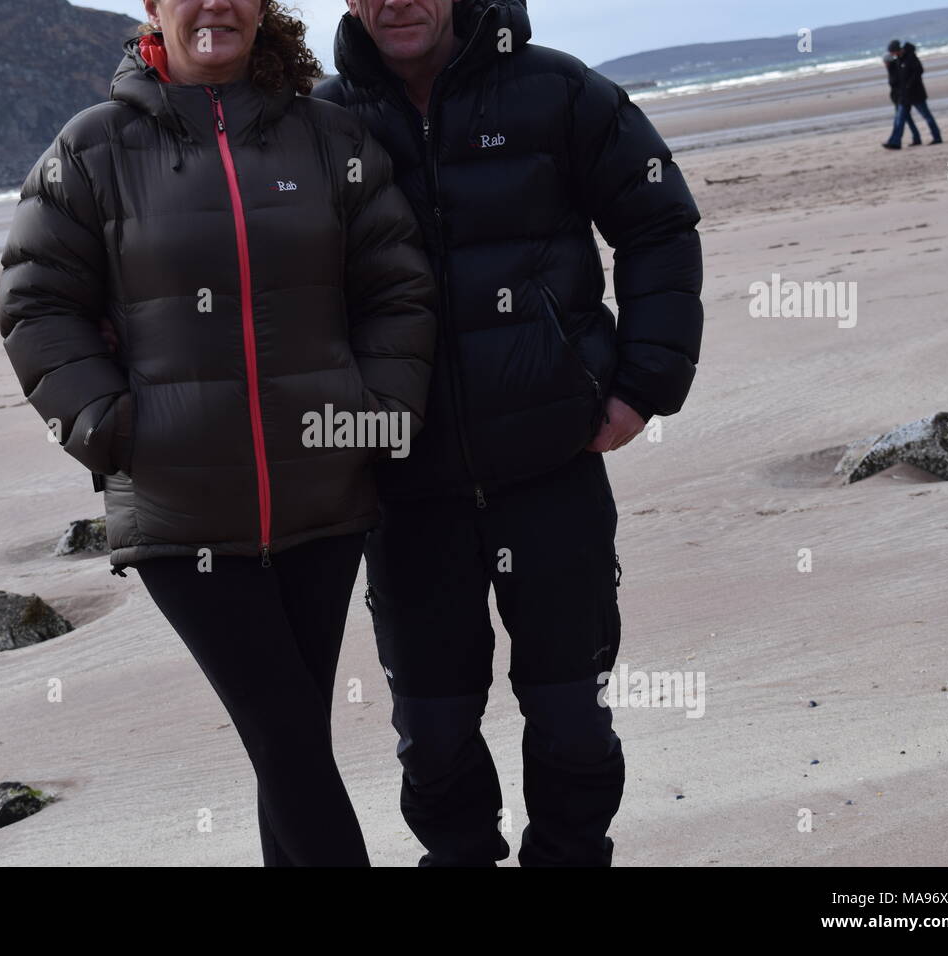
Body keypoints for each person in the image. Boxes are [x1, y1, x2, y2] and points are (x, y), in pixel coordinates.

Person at [0, 0, 437, 866]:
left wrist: (370, 413)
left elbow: (398, 288)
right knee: (290, 745)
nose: (215, 6)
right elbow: (37, 303)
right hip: (179, 510)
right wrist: (111, 428)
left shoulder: (330, 139)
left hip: (324, 495)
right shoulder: (92, 150)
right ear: (155, 10)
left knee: (292, 747)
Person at [314, 0, 704, 866]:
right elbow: (257, 272)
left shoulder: (556, 90)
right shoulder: (321, 122)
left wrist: (644, 384)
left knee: (570, 717)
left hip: (551, 468)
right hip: (405, 491)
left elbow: (658, 221)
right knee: (432, 731)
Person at [883, 40, 943, 149]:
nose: (892, 55)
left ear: (897, 50)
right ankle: (895, 142)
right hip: (904, 96)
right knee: (900, 119)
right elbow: (898, 80)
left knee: (926, 116)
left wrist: (909, 85)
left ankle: (937, 137)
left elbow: (918, 72)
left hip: (916, 94)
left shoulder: (911, 57)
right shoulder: (898, 61)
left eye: (893, 52)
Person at [883, 39, 921, 146]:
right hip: (900, 98)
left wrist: (902, 96)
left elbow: (900, 85)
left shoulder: (896, 68)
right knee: (906, 120)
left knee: (899, 122)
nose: (884, 64)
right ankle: (915, 138)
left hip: (902, 98)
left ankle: (895, 142)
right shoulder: (895, 67)